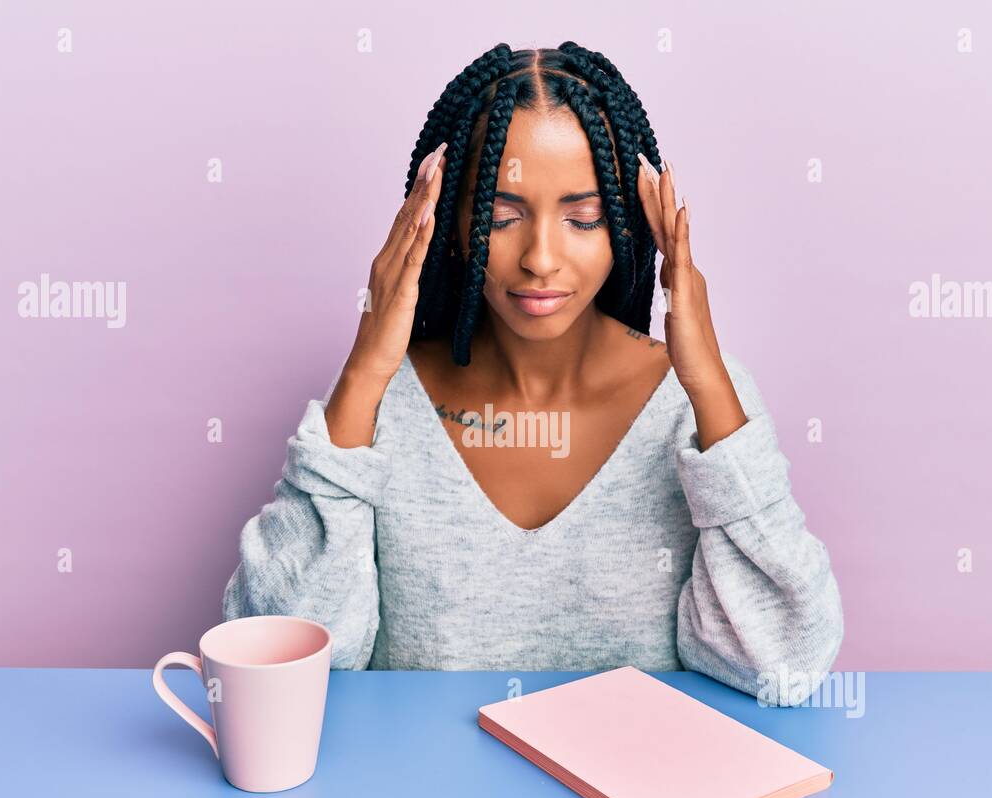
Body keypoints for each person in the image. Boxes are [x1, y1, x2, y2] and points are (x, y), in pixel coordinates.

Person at [223, 42, 843, 706]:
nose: (541, 259)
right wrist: (368, 367)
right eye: (501, 217)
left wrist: (709, 387)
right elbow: (275, 666)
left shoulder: (701, 407)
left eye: (583, 218)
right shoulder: (377, 406)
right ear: (447, 224)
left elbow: (786, 665)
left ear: (631, 226)